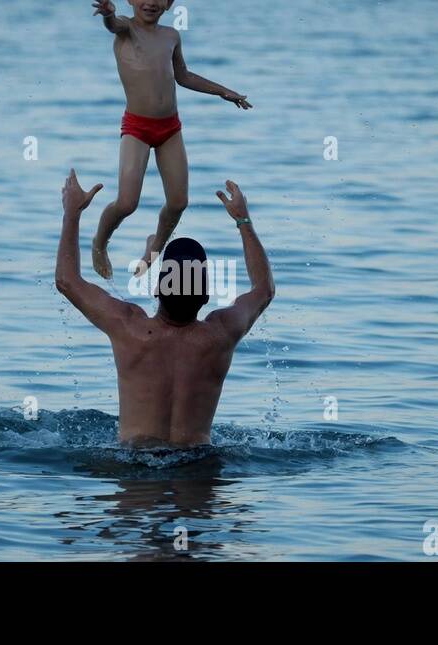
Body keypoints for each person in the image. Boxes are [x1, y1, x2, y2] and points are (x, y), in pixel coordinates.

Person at [56, 169, 274, 446]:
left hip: (136, 463)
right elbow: (264, 290)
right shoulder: (220, 334)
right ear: (206, 297)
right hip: (198, 467)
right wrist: (243, 220)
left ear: (157, 290)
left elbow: (67, 281)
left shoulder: (129, 327)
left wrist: (72, 213)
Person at [88, 0, 252, 279]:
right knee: (127, 203)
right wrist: (108, 14)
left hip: (170, 129)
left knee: (178, 203)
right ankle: (99, 244)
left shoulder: (171, 36)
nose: (150, 2)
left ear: (168, 3)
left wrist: (223, 91)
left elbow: (183, 76)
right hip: (137, 128)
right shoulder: (126, 28)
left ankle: (153, 250)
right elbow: (112, 25)